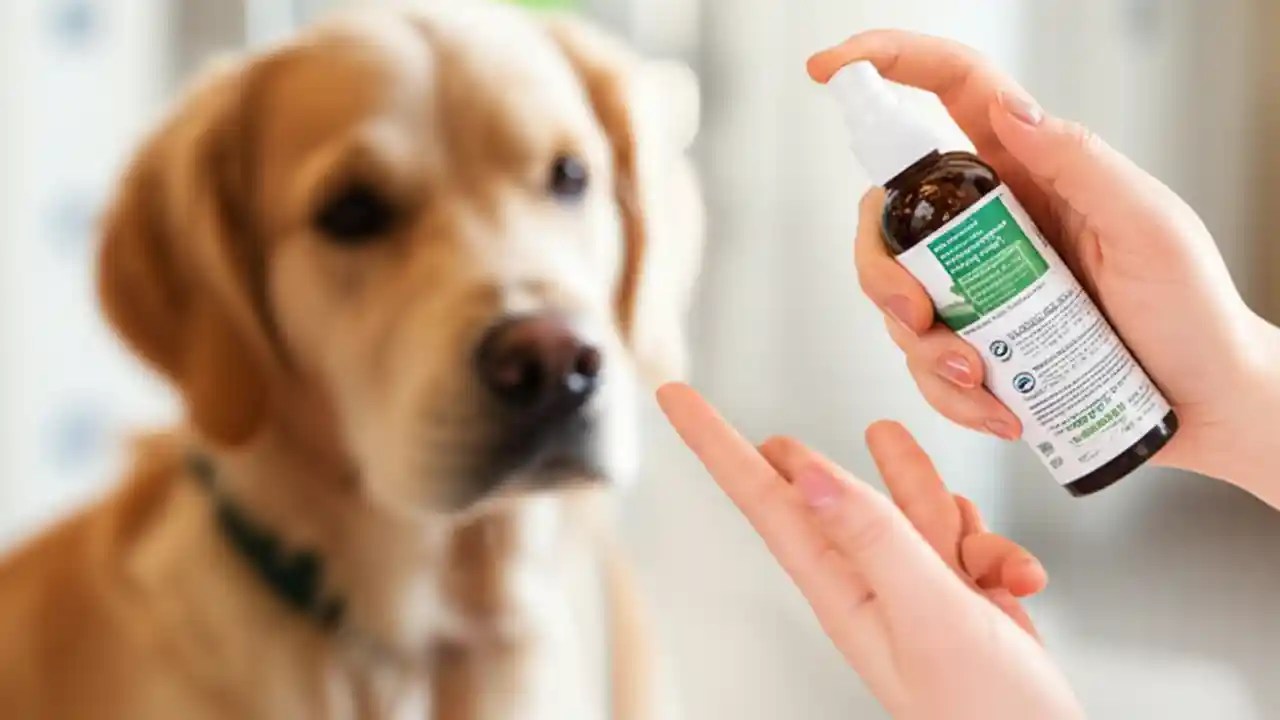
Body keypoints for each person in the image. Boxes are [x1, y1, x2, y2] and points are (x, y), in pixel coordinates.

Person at [657, 28, 1280, 719]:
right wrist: (1242, 392)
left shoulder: (966, 179)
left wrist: (1241, 385)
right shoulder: (906, 214)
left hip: (1132, 393)